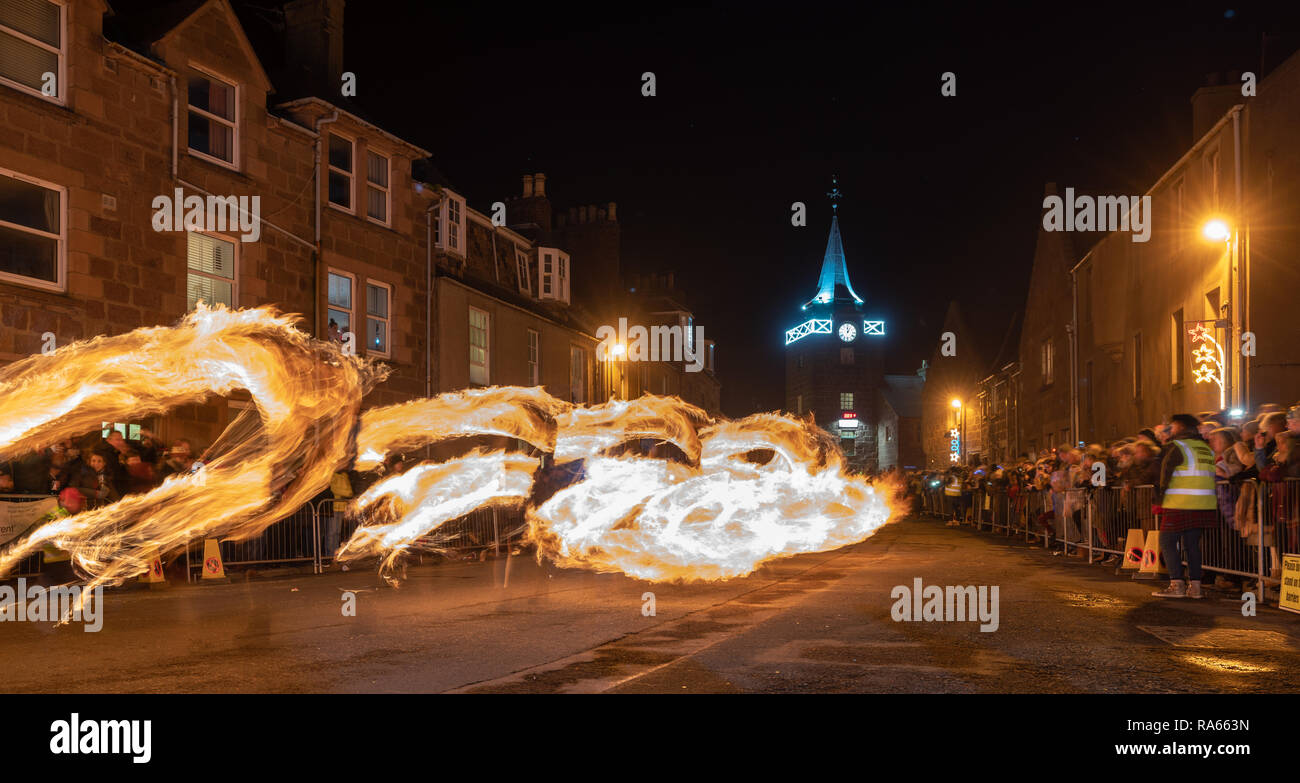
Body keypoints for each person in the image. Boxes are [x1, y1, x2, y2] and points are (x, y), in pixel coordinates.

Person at [1151, 414, 1219, 599]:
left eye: (1172, 427)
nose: (1170, 430)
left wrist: (1158, 500)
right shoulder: (1205, 448)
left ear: (1180, 426)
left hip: (1179, 503)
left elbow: (1163, 475)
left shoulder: (1177, 446)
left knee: (1167, 542)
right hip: (1204, 503)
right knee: (1192, 545)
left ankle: (1177, 585)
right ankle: (1196, 587)